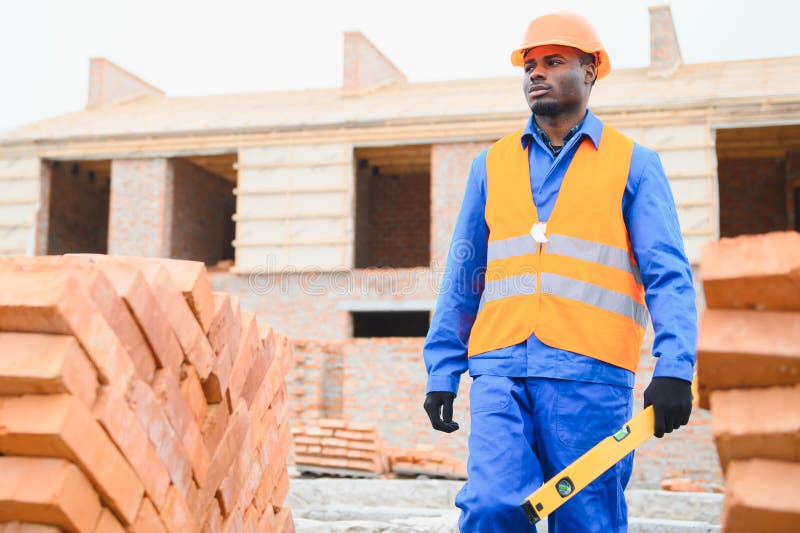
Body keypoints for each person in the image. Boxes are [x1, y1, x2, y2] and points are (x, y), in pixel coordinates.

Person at [422, 12, 697, 533]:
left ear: (590, 71)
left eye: (553, 61)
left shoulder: (634, 164)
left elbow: (668, 276)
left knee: (586, 521)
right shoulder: (491, 164)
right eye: (529, 65)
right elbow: (464, 277)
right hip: (500, 370)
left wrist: (675, 367)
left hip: (590, 377)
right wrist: (442, 371)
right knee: (490, 507)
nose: (536, 74)